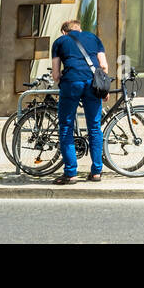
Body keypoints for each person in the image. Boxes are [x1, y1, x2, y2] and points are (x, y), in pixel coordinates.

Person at [50, 19, 108, 184]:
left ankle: (71, 173)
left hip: (71, 84)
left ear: (64, 32)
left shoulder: (60, 42)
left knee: (66, 126)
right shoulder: (94, 38)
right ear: (80, 30)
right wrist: (103, 89)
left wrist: (63, 81)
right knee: (95, 127)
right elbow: (103, 66)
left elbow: (55, 75)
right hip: (92, 84)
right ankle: (96, 172)